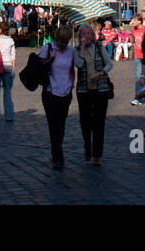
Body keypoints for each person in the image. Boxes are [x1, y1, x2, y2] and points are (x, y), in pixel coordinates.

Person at [74, 22, 113, 164]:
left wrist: (101, 73)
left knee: (99, 122)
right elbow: (78, 64)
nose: (86, 36)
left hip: (101, 89)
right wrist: (83, 49)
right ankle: (87, 147)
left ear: (92, 35)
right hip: (83, 90)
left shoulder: (99, 47)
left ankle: (97, 154)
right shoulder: (77, 49)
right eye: (83, 34)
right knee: (85, 121)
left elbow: (109, 64)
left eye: (88, 34)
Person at [39, 25, 76, 169]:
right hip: (50, 92)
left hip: (65, 92)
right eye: (61, 42)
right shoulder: (47, 49)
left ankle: (57, 150)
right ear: (56, 39)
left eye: (66, 42)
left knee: (61, 124)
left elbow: (71, 69)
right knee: (53, 124)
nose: (63, 45)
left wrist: (72, 83)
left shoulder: (71, 51)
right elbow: (41, 70)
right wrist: (50, 59)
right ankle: (57, 155)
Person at [129, 15, 145, 106]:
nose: (133, 22)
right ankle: (138, 98)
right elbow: (134, 40)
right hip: (137, 55)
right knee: (138, 77)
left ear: (140, 21)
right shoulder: (133, 29)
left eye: (135, 20)